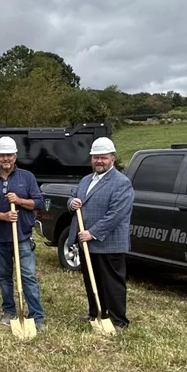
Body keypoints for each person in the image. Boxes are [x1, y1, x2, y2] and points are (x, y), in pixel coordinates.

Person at [66, 137, 135, 329]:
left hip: (108, 243)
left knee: (111, 283)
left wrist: (92, 233)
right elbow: (73, 196)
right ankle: (96, 313)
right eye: (96, 158)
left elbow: (116, 215)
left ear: (112, 158)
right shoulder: (87, 180)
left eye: (103, 158)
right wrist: (72, 203)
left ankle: (117, 320)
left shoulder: (121, 183)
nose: (99, 161)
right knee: (92, 280)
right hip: (87, 243)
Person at [0, 136, 46, 332]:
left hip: (22, 236)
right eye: (2, 155)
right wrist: (3, 216)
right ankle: (9, 311)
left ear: (15, 157)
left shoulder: (27, 177)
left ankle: (36, 315)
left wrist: (19, 200)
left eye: (9, 155)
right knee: (4, 277)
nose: (5, 159)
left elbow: (38, 202)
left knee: (28, 277)